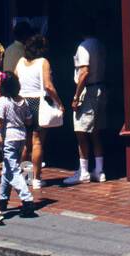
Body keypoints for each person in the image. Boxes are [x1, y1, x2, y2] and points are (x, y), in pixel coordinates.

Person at [15, 35, 64, 192]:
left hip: (22, 102)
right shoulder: (43, 62)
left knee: (25, 142)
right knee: (37, 142)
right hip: (37, 102)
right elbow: (48, 85)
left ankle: (24, 176)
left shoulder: (21, 62)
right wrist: (59, 103)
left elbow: (15, 82)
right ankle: (36, 178)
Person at [64, 24, 108, 185]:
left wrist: (76, 96)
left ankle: (83, 171)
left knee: (81, 132)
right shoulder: (100, 44)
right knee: (96, 132)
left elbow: (84, 71)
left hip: (88, 90)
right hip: (100, 88)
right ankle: (99, 169)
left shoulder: (84, 47)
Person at [0, 73, 34, 216]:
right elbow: (29, 120)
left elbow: (0, 120)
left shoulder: (3, 101)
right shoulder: (23, 101)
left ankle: (27, 199)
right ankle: (3, 198)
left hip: (9, 137)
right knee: (8, 168)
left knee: (14, 170)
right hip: (21, 136)